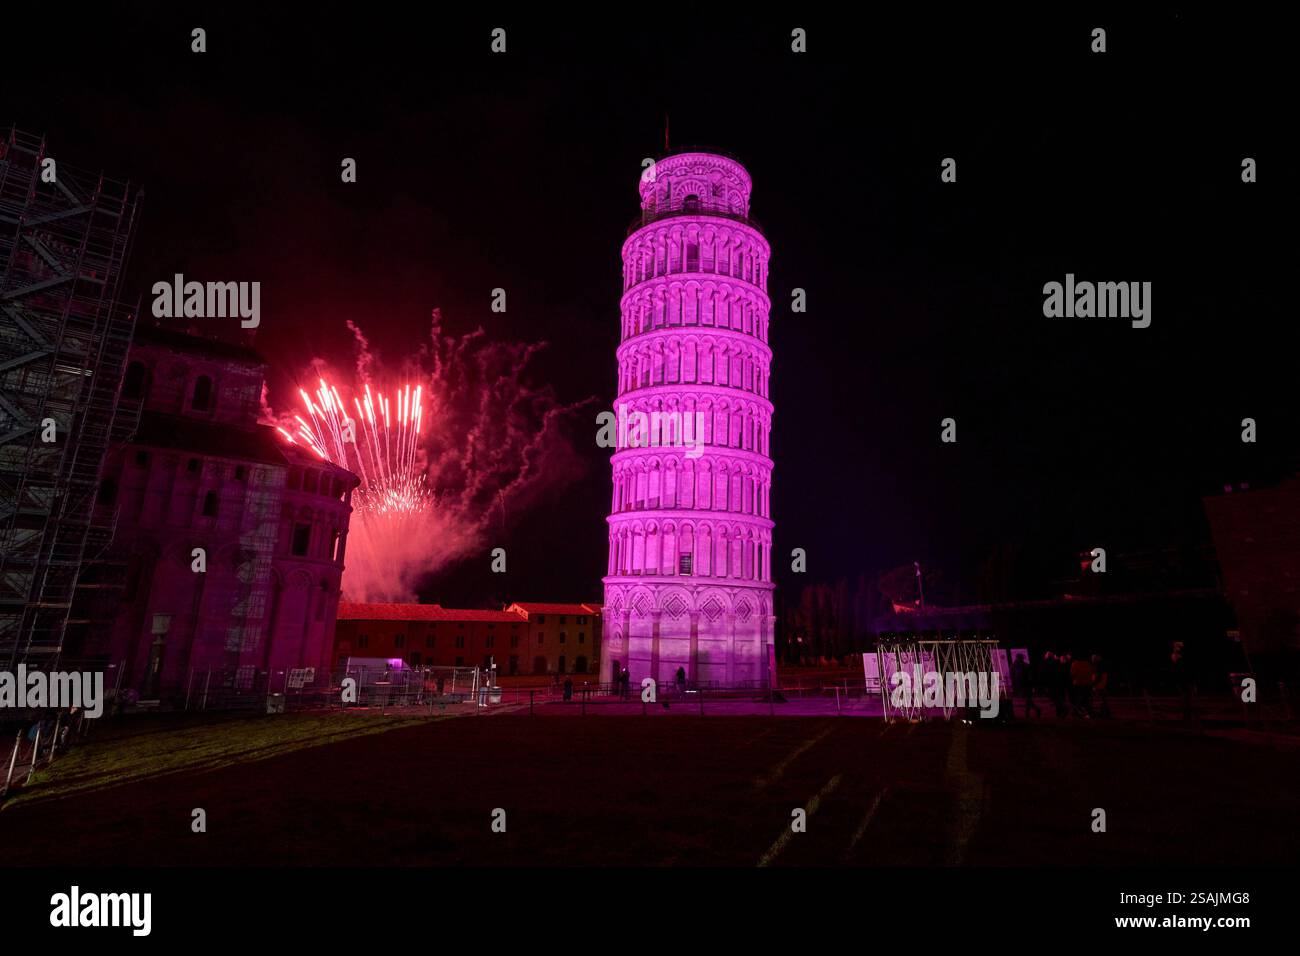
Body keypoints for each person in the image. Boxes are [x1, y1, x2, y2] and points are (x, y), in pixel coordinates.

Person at [1012, 653, 1039, 718]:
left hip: (1025, 684)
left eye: (1018, 657)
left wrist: (1031, 685)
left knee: (1028, 699)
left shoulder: (1025, 666)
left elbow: (1029, 676)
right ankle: (1036, 710)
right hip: (1022, 684)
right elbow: (1015, 675)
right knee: (1027, 699)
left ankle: (1028, 713)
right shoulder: (1016, 665)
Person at [1069, 654, 1094, 718]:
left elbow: (1072, 674)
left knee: (1079, 698)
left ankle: (1077, 711)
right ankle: (1089, 712)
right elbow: (1092, 672)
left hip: (1078, 683)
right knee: (1086, 698)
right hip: (1088, 683)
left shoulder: (1075, 664)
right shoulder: (1088, 664)